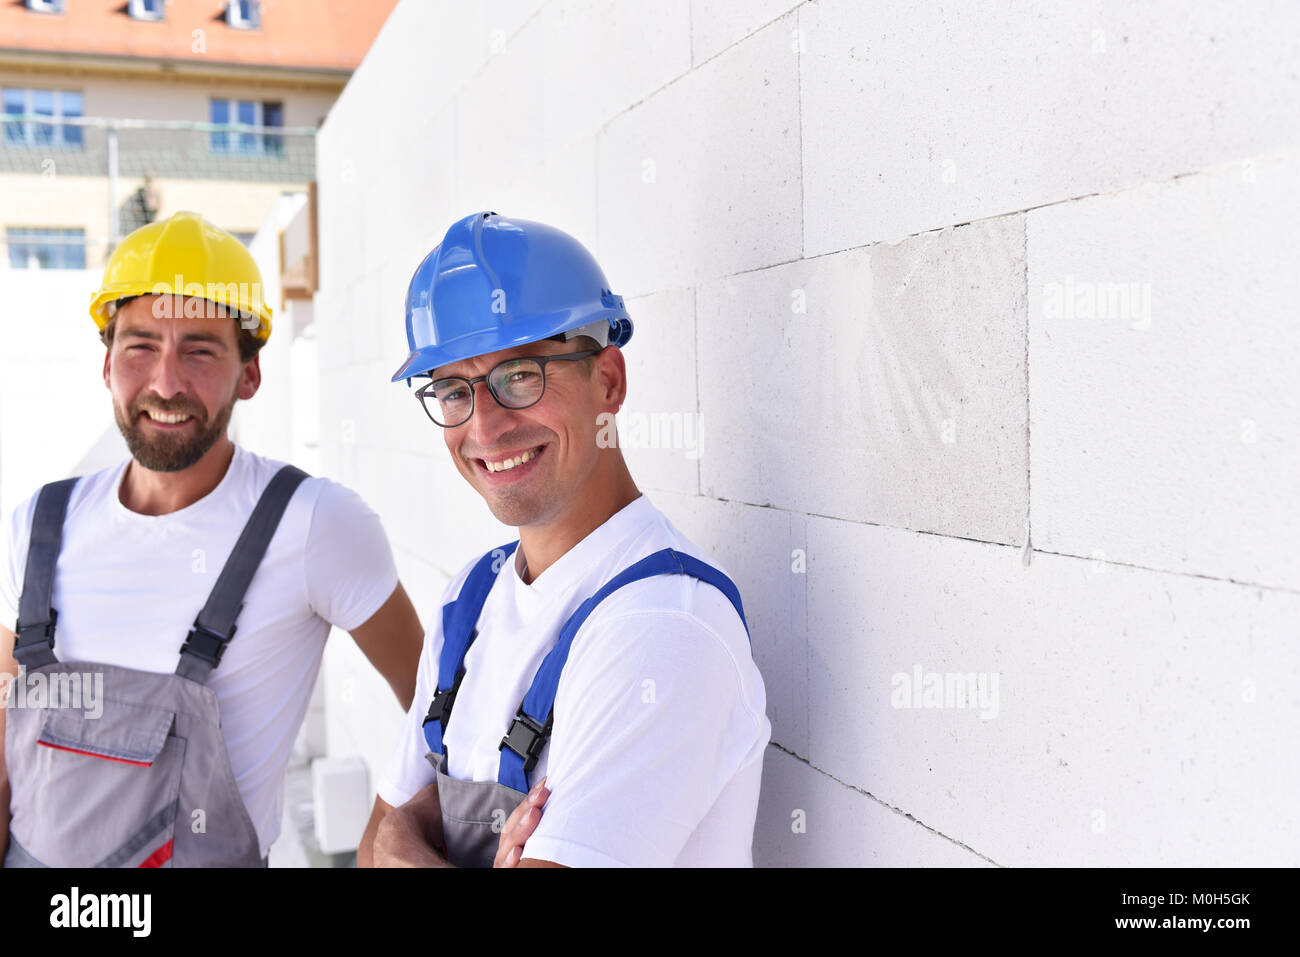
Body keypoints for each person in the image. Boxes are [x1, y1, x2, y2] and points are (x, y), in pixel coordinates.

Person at [0, 211, 423, 867]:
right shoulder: (37, 526)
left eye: (199, 350)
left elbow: (435, 709)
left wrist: (385, 838)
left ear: (249, 374)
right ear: (107, 363)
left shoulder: (313, 523)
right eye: (140, 345)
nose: (166, 383)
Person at [360, 210, 771, 868]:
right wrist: (387, 840)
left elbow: (388, 843)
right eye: (451, 389)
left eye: (519, 375)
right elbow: (367, 849)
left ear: (607, 380)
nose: (485, 427)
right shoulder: (469, 600)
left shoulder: (662, 625)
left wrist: (403, 844)